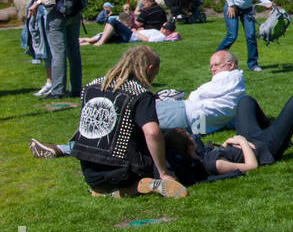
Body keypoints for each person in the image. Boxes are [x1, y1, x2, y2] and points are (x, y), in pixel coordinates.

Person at [30, 50, 246, 159]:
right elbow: (228, 113)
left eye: (216, 65)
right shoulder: (236, 89)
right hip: (191, 118)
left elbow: (200, 94)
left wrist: (191, 97)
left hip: (182, 112)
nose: (213, 70)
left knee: (122, 121)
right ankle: (67, 147)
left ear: (231, 64)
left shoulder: (230, 78)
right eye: (211, 67)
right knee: (126, 125)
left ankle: (64, 148)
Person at [67, 46, 187, 198]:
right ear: (149, 69)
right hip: (124, 170)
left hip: (90, 171)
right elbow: (152, 132)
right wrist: (163, 173)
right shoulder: (139, 94)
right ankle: (139, 185)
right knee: (170, 143)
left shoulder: (91, 86)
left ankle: (107, 191)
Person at [40, 0, 87, 99]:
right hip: (74, 12)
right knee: (74, 52)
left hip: (57, 13)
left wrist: (41, 1)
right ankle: (76, 89)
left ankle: (58, 90)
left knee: (58, 53)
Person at [231, 93, 293, 162]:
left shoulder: (216, 154)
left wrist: (226, 144)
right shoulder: (217, 165)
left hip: (243, 140)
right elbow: (251, 166)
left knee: (246, 100)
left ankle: (278, 133)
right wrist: (243, 143)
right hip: (262, 148)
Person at [22, 0, 53, 95]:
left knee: (50, 48)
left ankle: (54, 83)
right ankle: (49, 81)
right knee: (45, 48)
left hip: (49, 13)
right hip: (42, 12)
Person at [80, 18, 180, 46]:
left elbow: (147, 40)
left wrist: (136, 32)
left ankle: (100, 42)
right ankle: (83, 42)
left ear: (167, 31)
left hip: (131, 36)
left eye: (163, 27)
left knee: (113, 21)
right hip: (132, 35)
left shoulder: (161, 37)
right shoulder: (158, 32)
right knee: (106, 37)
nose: (161, 27)